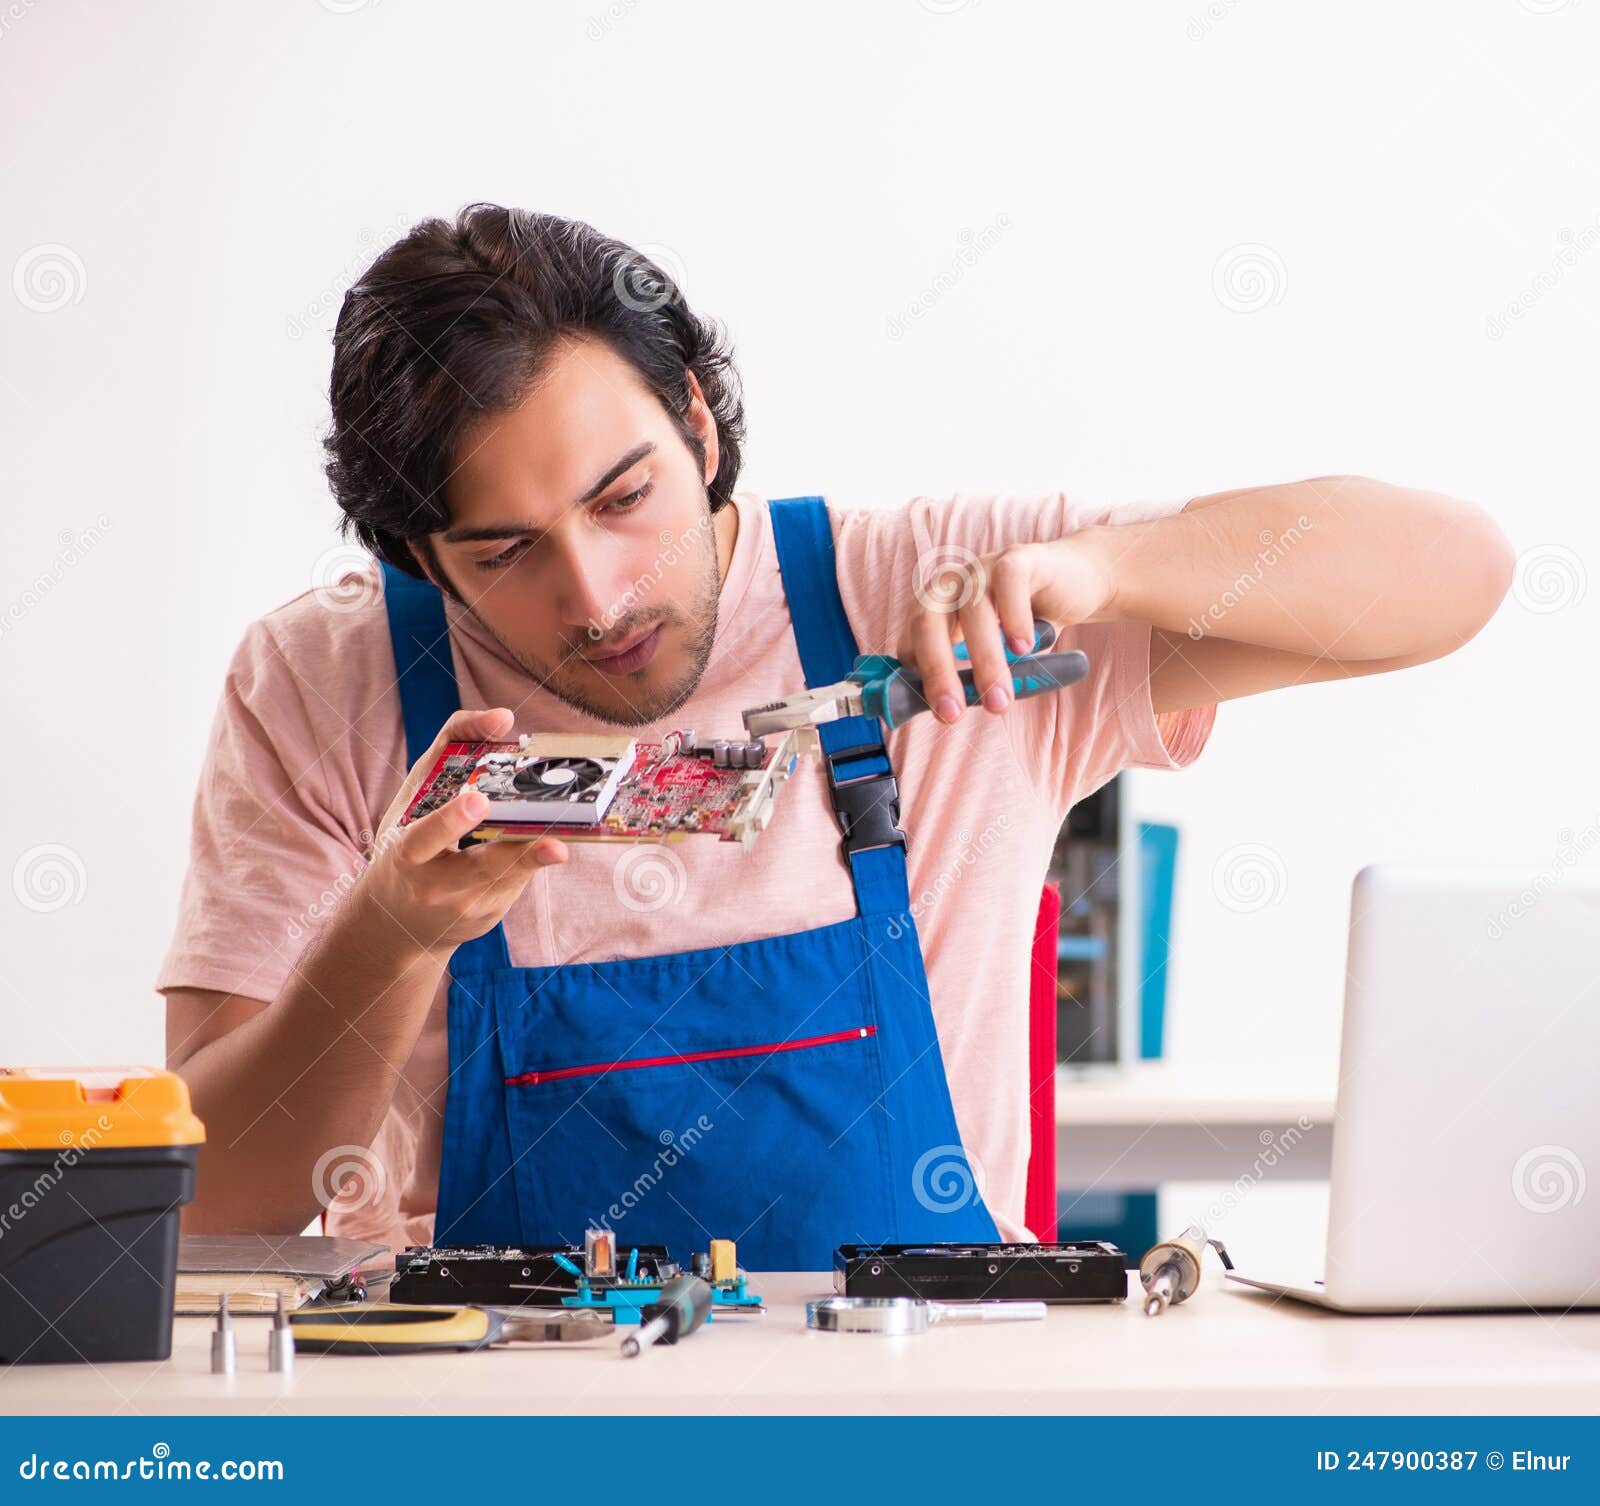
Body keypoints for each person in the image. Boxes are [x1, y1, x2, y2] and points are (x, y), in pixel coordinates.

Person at [160, 204, 1514, 1266]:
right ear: (417, 556)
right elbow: (217, 1200)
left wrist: (1112, 568)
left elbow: (1457, 571)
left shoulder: (920, 596)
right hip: (503, 1421)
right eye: (507, 549)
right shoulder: (326, 680)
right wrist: (392, 931)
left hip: (916, 1409)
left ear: (696, 421)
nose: (596, 594)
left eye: (625, 496)